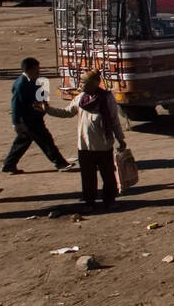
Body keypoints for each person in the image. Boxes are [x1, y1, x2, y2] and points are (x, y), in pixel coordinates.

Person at [45, 69, 127, 211]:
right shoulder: (81, 98)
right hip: (84, 145)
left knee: (107, 175)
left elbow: (114, 121)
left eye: (84, 82)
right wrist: (47, 109)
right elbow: (67, 112)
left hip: (103, 145)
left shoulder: (107, 98)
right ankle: (89, 202)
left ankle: (110, 200)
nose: (81, 84)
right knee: (87, 177)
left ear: (94, 83)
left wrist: (120, 139)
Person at [1, 57, 73, 174]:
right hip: (29, 120)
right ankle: (60, 163)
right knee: (46, 141)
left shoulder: (33, 81)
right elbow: (15, 105)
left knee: (22, 143)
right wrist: (15, 123)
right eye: (36, 69)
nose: (38, 72)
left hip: (33, 118)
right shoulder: (21, 84)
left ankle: (9, 164)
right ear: (28, 70)